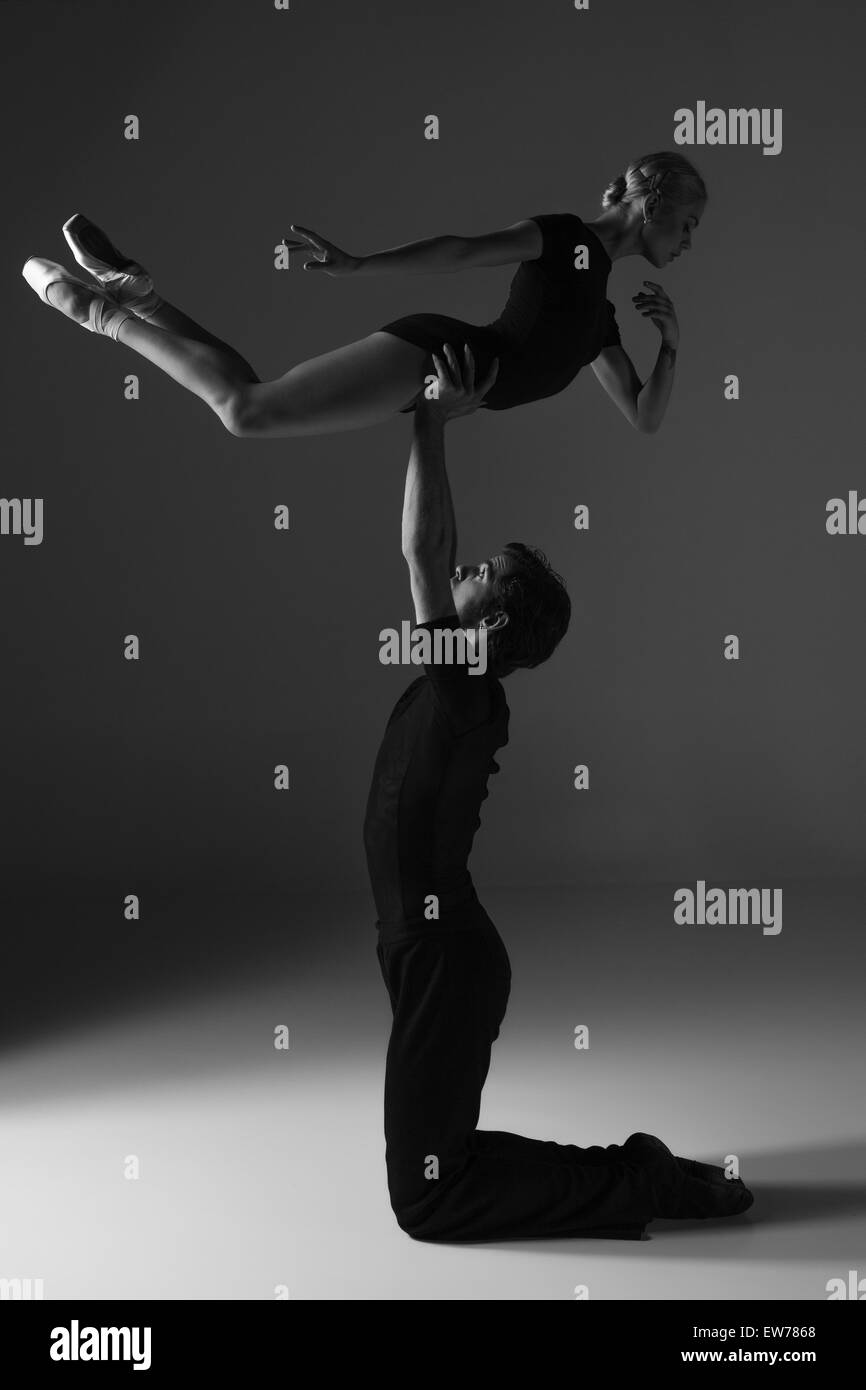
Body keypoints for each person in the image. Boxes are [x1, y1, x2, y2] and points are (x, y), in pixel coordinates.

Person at [363, 343, 753, 1242]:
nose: (461, 573)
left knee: (427, 1202)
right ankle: (634, 1174)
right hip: (425, 951)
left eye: (480, 575)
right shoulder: (460, 684)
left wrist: (432, 416)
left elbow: (422, 551)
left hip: (441, 958)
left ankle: (640, 1188)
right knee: (438, 1166)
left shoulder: (463, 690)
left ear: (490, 621)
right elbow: (432, 561)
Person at [22, 152, 704, 441]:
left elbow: (644, 418)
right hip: (439, 356)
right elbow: (461, 249)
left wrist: (670, 347)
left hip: (441, 387)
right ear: (654, 204)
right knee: (245, 413)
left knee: (251, 401)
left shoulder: (601, 322)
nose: (690, 240)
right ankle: (98, 311)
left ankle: (140, 299)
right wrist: (359, 265)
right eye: (689, 222)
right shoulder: (563, 237)